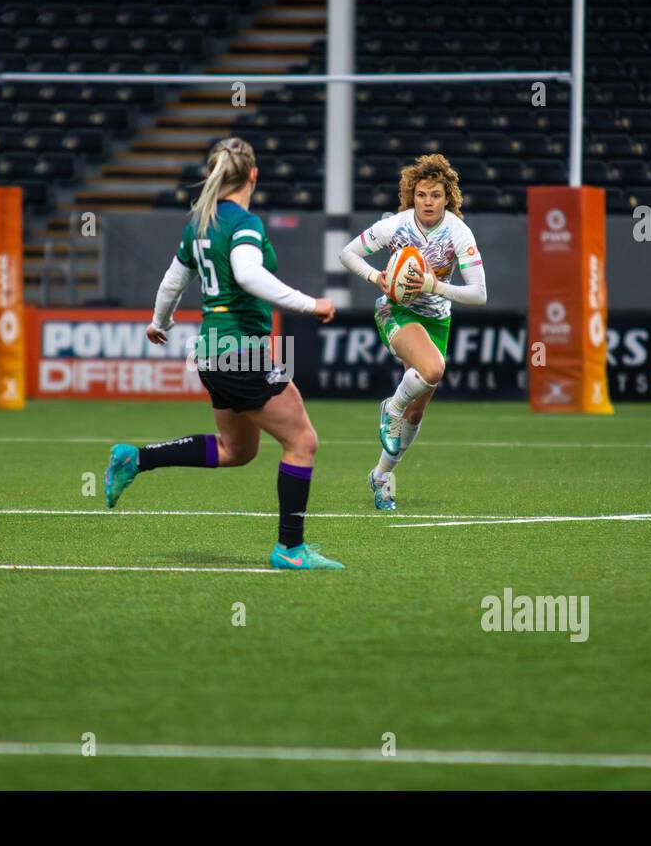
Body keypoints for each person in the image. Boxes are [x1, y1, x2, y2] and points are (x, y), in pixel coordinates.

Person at [103, 137, 343, 570]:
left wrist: (159, 324)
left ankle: (136, 458)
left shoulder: (198, 224)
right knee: (303, 442)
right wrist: (312, 304)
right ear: (253, 175)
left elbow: (172, 283)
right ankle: (290, 549)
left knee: (237, 450)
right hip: (243, 350)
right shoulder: (243, 223)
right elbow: (248, 274)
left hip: (212, 351)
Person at [338, 154, 486, 511]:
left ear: (448, 197)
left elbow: (479, 294)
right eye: (421, 194)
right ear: (412, 195)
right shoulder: (396, 225)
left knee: (416, 414)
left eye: (435, 194)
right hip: (396, 311)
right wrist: (377, 278)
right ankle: (391, 406)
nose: (428, 202)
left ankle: (380, 476)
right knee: (433, 371)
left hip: (438, 321)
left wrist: (435, 286)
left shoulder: (458, 233)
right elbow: (347, 253)